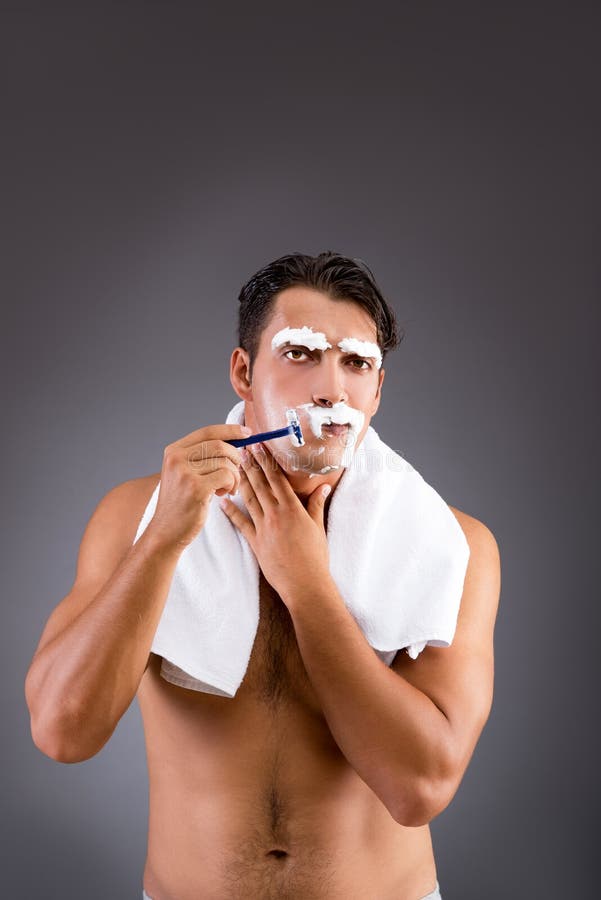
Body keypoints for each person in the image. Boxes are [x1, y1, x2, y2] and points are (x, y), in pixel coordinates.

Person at [25, 251, 501, 900]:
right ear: (243, 372)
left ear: (376, 393)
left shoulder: (449, 544)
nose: (330, 387)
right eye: (301, 353)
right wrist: (163, 540)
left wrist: (304, 583)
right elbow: (61, 731)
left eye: (356, 362)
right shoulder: (132, 517)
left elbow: (418, 787)